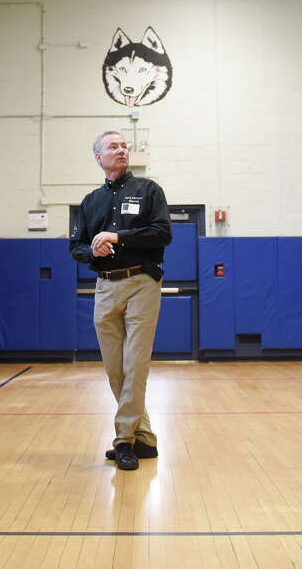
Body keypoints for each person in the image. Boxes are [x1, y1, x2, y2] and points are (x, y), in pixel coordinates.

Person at [69, 131, 171, 471]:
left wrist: (117, 237)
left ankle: (124, 440)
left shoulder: (149, 190)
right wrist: (92, 251)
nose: (121, 150)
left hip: (142, 282)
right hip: (105, 286)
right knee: (115, 369)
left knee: (135, 365)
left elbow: (163, 233)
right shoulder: (90, 201)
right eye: (113, 146)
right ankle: (145, 438)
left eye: (124, 145)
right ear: (99, 157)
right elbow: (76, 247)